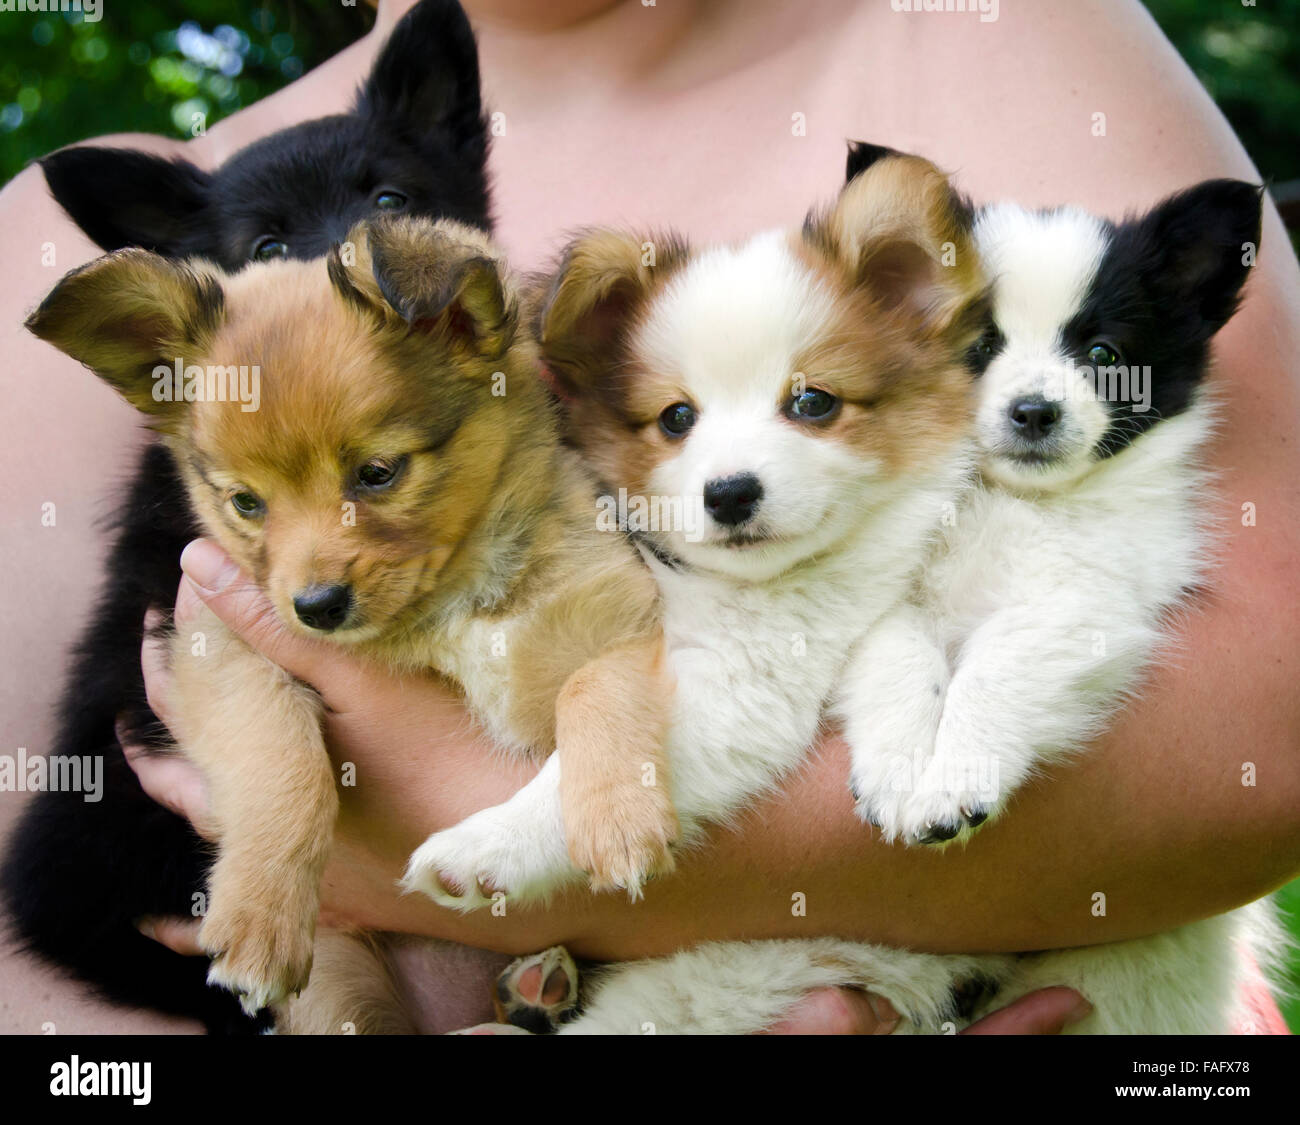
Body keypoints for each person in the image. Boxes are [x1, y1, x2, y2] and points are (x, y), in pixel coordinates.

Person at [1, 0, 1295, 1035]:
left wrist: (494, 832)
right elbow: (48, 938)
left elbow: (1269, 724)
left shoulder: (1009, 27)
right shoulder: (41, 248)